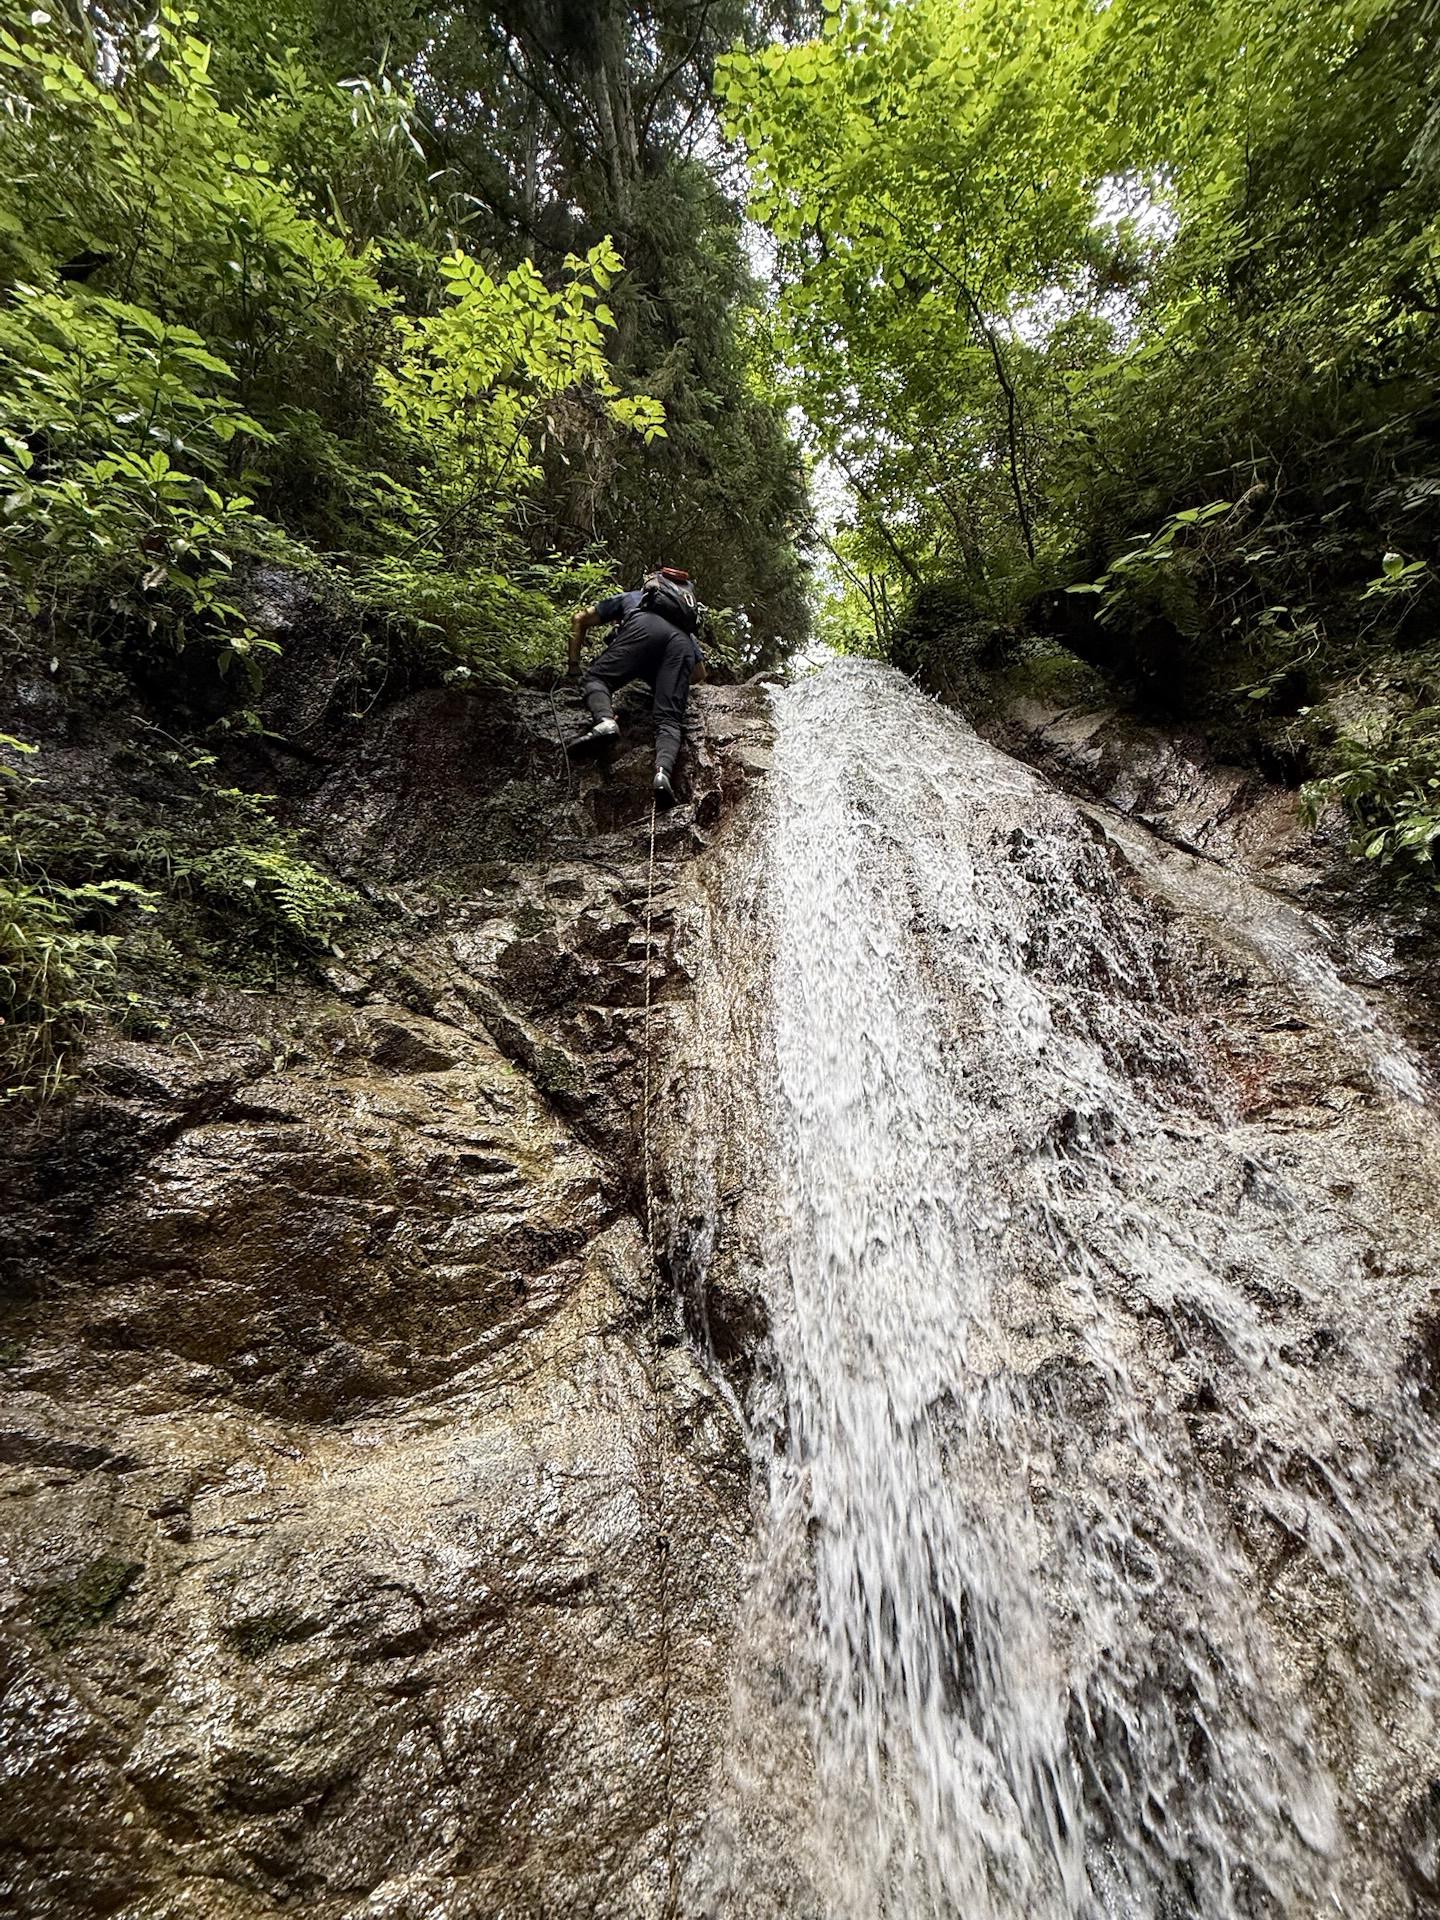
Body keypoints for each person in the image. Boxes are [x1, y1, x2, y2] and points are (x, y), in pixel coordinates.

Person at [569, 566, 705, 806]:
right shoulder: (684, 629)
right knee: (669, 721)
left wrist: (573, 666)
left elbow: (580, 618)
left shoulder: (633, 597)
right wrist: (661, 679)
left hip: (642, 627)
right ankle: (662, 775)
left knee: (596, 679)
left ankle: (605, 721)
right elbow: (698, 673)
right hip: (680, 647)